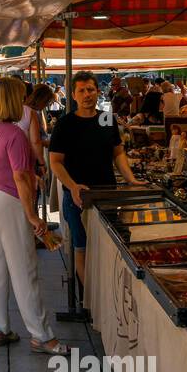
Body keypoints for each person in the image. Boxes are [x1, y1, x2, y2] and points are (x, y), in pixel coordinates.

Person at [0, 76, 63, 352]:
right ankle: (42, 335)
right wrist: (32, 216)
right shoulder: (13, 134)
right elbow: (21, 177)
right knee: (24, 268)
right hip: (8, 199)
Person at [49, 71, 142, 288]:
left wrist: (131, 179)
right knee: (81, 247)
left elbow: (118, 153)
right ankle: (91, 299)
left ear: (98, 91)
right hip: (77, 196)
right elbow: (56, 162)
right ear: (73, 95)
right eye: (81, 90)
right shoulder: (66, 124)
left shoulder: (106, 119)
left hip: (106, 193)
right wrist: (72, 186)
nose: (87, 94)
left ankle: (105, 293)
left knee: (106, 246)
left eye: (90, 89)